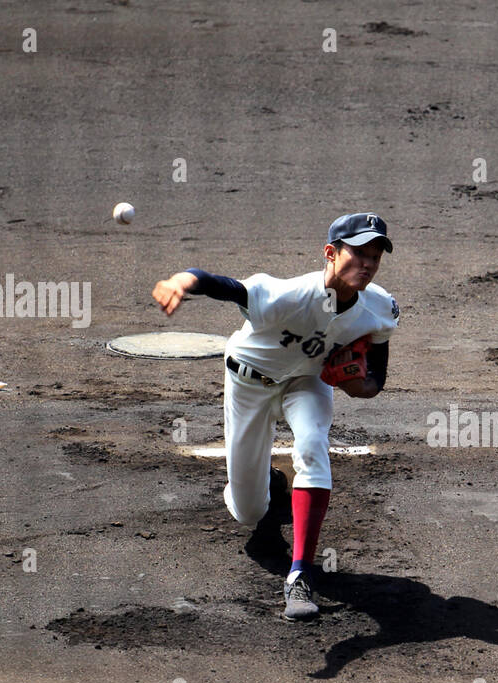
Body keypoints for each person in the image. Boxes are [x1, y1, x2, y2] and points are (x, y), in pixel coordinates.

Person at [151, 213, 399, 621]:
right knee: (249, 511)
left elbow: (375, 379)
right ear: (331, 253)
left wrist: (356, 385)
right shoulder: (284, 295)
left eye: (375, 256)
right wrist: (181, 282)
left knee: (313, 446)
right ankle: (269, 481)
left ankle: (299, 575)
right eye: (357, 253)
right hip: (248, 382)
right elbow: (219, 284)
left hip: (307, 381)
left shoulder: (379, 309)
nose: (367, 264)